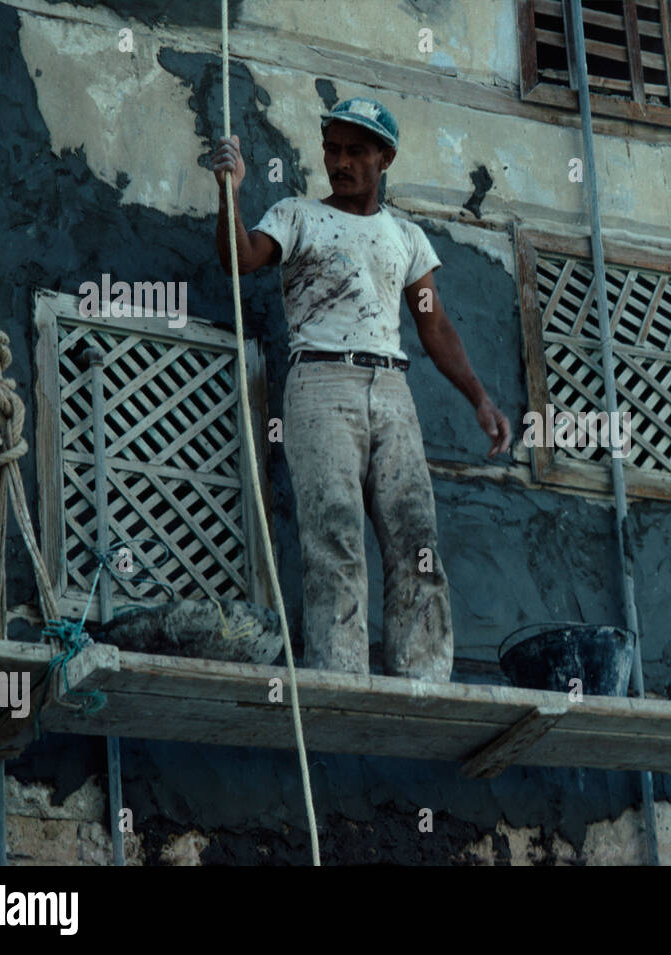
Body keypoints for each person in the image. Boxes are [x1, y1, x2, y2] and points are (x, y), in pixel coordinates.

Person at [211, 96, 510, 681]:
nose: (340, 162)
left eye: (355, 151)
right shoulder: (297, 214)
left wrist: (479, 397)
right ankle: (340, 674)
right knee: (335, 531)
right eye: (333, 150)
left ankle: (422, 679)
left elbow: (434, 323)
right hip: (321, 383)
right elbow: (240, 259)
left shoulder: (406, 237)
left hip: (392, 390)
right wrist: (229, 190)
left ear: (385, 158)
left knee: (416, 536)